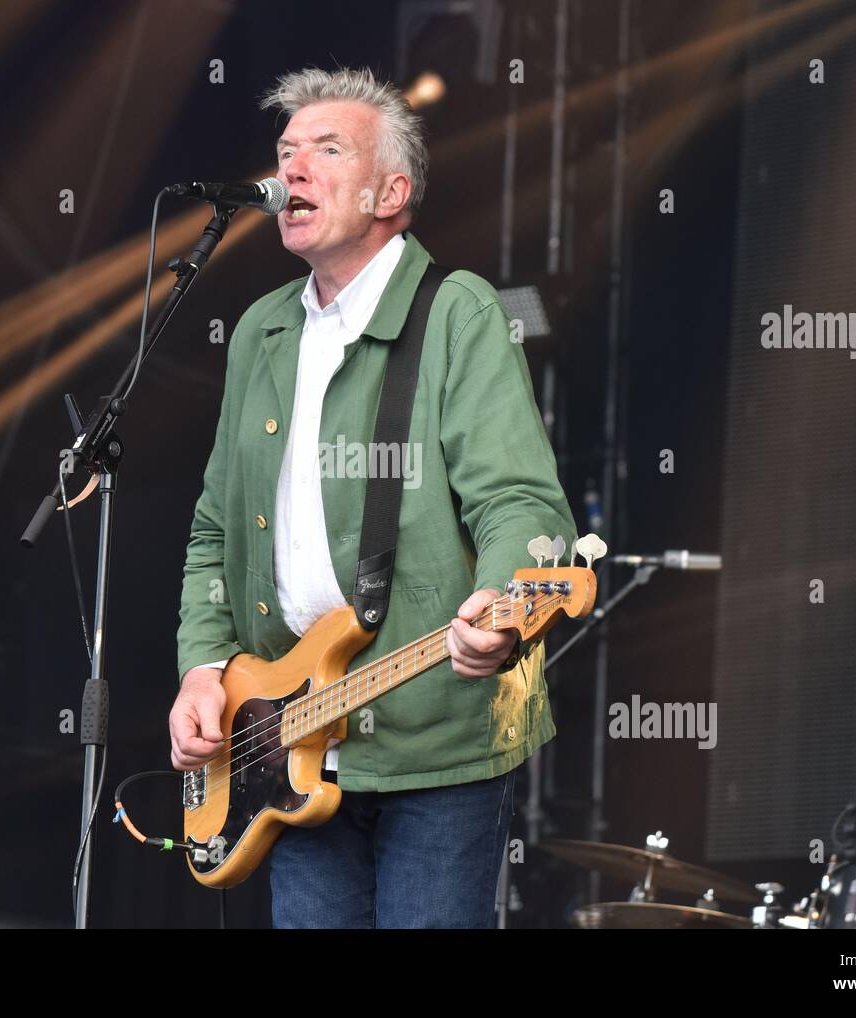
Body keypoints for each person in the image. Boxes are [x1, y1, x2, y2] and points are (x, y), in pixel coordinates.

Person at [169, 67, 576, 928]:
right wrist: (203, 673)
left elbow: (522, 505)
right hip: (289, 734)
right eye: (285, 154)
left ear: (393, 191)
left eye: (325, 150)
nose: (293, 172)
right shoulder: (262, 331)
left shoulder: (456, 312)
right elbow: (213, 529)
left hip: (440, 739)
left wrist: (503, 609)